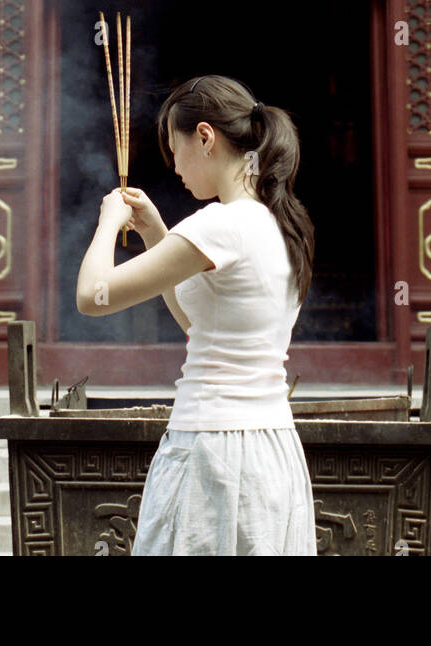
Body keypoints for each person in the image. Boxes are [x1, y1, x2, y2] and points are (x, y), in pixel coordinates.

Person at [75, 73, 317, 556]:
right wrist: (155, 234)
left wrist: (107, 224)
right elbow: (199, 325)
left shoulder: (219, 224)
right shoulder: (282, 222)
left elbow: (93, 296)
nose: (175, 167)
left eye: (174, 149)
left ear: (204, 137)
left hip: (212, 446)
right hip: (272, 446)